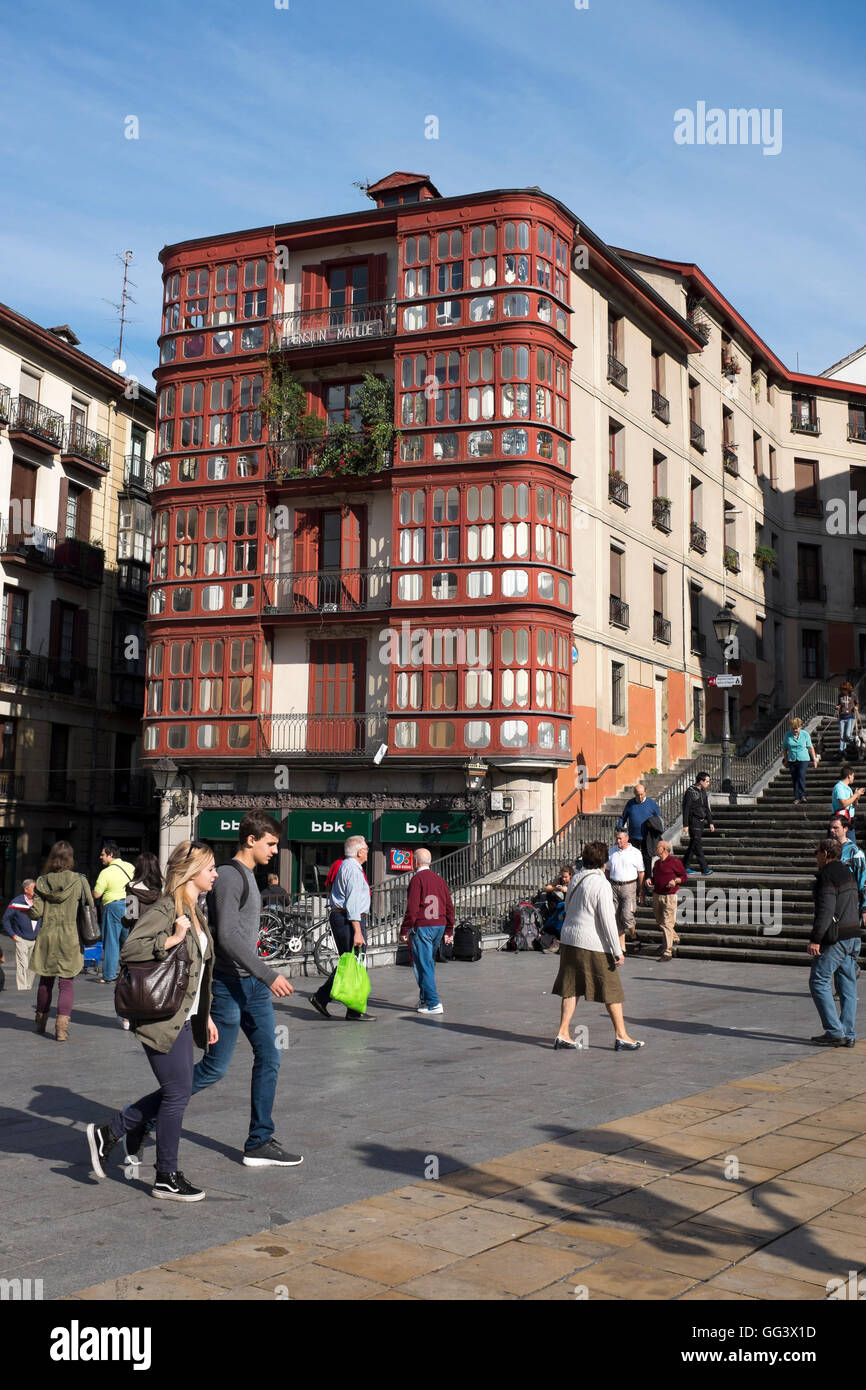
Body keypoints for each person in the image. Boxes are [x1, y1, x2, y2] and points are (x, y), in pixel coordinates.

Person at [85, 841, 219, 1200]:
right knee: (177, 1093)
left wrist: (202, 1016)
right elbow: (131, 949)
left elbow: (197, 971)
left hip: (181, 1016)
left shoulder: (195, 909)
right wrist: (171, 938)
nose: (215, 874)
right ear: (191, 873)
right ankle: (166, 1175)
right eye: (210, 869)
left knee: (179, 1090)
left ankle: (111, 1132)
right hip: (160, 1016)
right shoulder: (166, 907)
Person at [188, 812, 302, 1167]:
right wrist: (269, 974)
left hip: (251, 986)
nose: (275, 850)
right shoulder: (230, 878)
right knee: (214, 1069)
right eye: (270, 843)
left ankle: (259, 1141)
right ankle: (139, 1118)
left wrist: (260, 977)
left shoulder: (249, 877)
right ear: (251, 840)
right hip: (229, 985)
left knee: (270, 1055)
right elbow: (227, 938)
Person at [552, 840, 645, 1052]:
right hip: (590, 942)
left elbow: (567, 906)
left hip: (568, 938)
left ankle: (563, 1033)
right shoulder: (602, 884)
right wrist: (617, 951)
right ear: (604, 861)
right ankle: (621, 1036)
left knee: (571, 986)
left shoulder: (575, 878)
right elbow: (607, 920)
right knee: (611, 987)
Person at [30, 841, 94, 1041]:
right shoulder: (79, 881)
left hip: (47, 936)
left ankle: (40, 1022)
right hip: (70, 936)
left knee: (45, 981)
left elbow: (36, 913)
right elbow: (90, 905)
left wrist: (30, 907)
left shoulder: (41, 882)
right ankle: (61, 1029)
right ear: (70, 858)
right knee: (66, 984)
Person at [311, 835, 376, 1022]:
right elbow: (353, 903)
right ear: (359, 852)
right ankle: (348, 1007)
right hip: (349, 919)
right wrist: (357, 930)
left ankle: (326, 999)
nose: (367, 851)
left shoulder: (347, 867)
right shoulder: (353, 870)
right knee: (354, 961)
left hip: (343, 917)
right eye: (365, 848)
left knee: (350, 961)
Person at [808, 838, 860, 1047]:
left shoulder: (827, 875)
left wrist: (815, 939)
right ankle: (848, 1032)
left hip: (836, 938)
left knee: (819, 981)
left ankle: (834, 1031)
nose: (816, 856)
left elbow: (827, 909)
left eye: (817, 852)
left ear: (826, 854)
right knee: (848, 984)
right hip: (853, 935)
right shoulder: (847, 872)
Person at [399, 848, 455, 1015]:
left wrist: (405, 928)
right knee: (427, 962)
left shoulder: (417, 879)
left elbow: (412, 907)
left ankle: (433, 1003)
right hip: (439, 924)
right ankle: (424, 999)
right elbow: (449, 906)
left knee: (423, 965)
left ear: (415, 862)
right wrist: (449, 930)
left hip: (423, 926)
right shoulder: (439, 879)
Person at [93, 841, 135, 985]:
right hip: (131, 903)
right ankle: (131, 972)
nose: (101, 857)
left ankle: (109, 975)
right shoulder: (130, 867)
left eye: (103, 854)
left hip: (114, 905)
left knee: (112, 941)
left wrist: (93, 892)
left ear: (111, 855)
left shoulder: (106, 872)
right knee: (129, 940)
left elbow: (97, 894)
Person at [605, 829, 645, 954]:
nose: (618, 841)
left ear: (627, 838)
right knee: (615, 916)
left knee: (626, 915)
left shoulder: (635, 853)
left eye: (620, 838)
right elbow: (607, 870)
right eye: (617, 838)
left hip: (629, 886)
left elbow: (641, 872)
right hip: (614, 885)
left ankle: (634, 936)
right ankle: (622, 947)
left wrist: (641, 890)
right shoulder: (612, 851)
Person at [649, 841, 687, 962]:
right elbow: (655, 878)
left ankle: (668, 952)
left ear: (664, 849)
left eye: (658, 847)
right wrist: (650, 880)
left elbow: (684, 877)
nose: (656, 848)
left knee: (667, 923)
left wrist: (675, 881)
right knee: (659, 921)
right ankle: (674, 937)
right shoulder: (656, 863)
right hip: (657, 895)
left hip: (669, 897)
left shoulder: (674, 862)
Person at [827, 817, 866, 929]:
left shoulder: (855, 852)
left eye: (835, 827)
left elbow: (863, 881)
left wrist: (864, 908)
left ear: (845, 829)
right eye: (830, 827)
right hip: (831, 903)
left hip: (849, 905)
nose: (832, 830)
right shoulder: (828, 850)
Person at [617, 782, 661, 878]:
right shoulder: (630, 803)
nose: (640, 797)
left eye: (641, 794)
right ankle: (636, 881)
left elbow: (659, 818)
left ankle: (647, 880)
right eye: (637, 795)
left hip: (647, 837)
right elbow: (623, 817)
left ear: (645, 793)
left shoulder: (652, 803)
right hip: (633, 836)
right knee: (633, 859)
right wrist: (619, 827)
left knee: (647, 859)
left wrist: (653, 824)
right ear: (634, 794)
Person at [3, 879, 40, 990]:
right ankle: (22, 988)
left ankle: (28, 986)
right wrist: (13, 935)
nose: (36, 890)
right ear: (26, 890)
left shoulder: (39, 901)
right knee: (23, 964)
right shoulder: (17, 901)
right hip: (21, 938)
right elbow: (6, 919)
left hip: (35, 939)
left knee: (32, 966)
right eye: (34, 888)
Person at [682, 772, 715, 876]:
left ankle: (684, 866)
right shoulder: (690, 791)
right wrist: (685, 825)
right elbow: (686, 808)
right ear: (701, 781)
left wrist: (710, 822)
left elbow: (706, 807)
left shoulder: (703, 791)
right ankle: (704, 868)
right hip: (693, 820)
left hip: (701, 820)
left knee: (693, 844)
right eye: (707, 781)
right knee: (697, 844)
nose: (708, 783)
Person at [783, 716, 818, 805]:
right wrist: (786, 760)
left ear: (800, 727)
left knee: (801, 775)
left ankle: (802, 795)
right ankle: (797, 797)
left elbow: (810, 747)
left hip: (803, 759)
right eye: (793, 728)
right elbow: (785, 749)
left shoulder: (805, 734)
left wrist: (814, 759)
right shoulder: (787, 735)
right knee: (794, 778)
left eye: (797, 728)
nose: (795, 730)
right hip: (792, 759)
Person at [831, 767, 864, 847]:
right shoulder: (839, 787)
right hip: (841, 820)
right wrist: (855, 795)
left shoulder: (848, 788)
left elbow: (853, 804)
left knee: (850, 845)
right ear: (849, 776)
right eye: (853, 776)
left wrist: (856, 798)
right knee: (846, 845)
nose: (853, 778)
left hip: (849, 819)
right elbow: (844, 803)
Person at [836, 681, 860, 758]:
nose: (843, 691)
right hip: (842, 717)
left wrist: (856, 707)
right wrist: (837, 707)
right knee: (842, 734)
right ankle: (842, 750)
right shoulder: (840, 696)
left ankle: (856, 742)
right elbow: (839, 704)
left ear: (848, 689)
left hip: (850, 716)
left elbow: (857, 703)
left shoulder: (853, 695)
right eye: (842, 689)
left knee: (848, 735)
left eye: (844, 689)